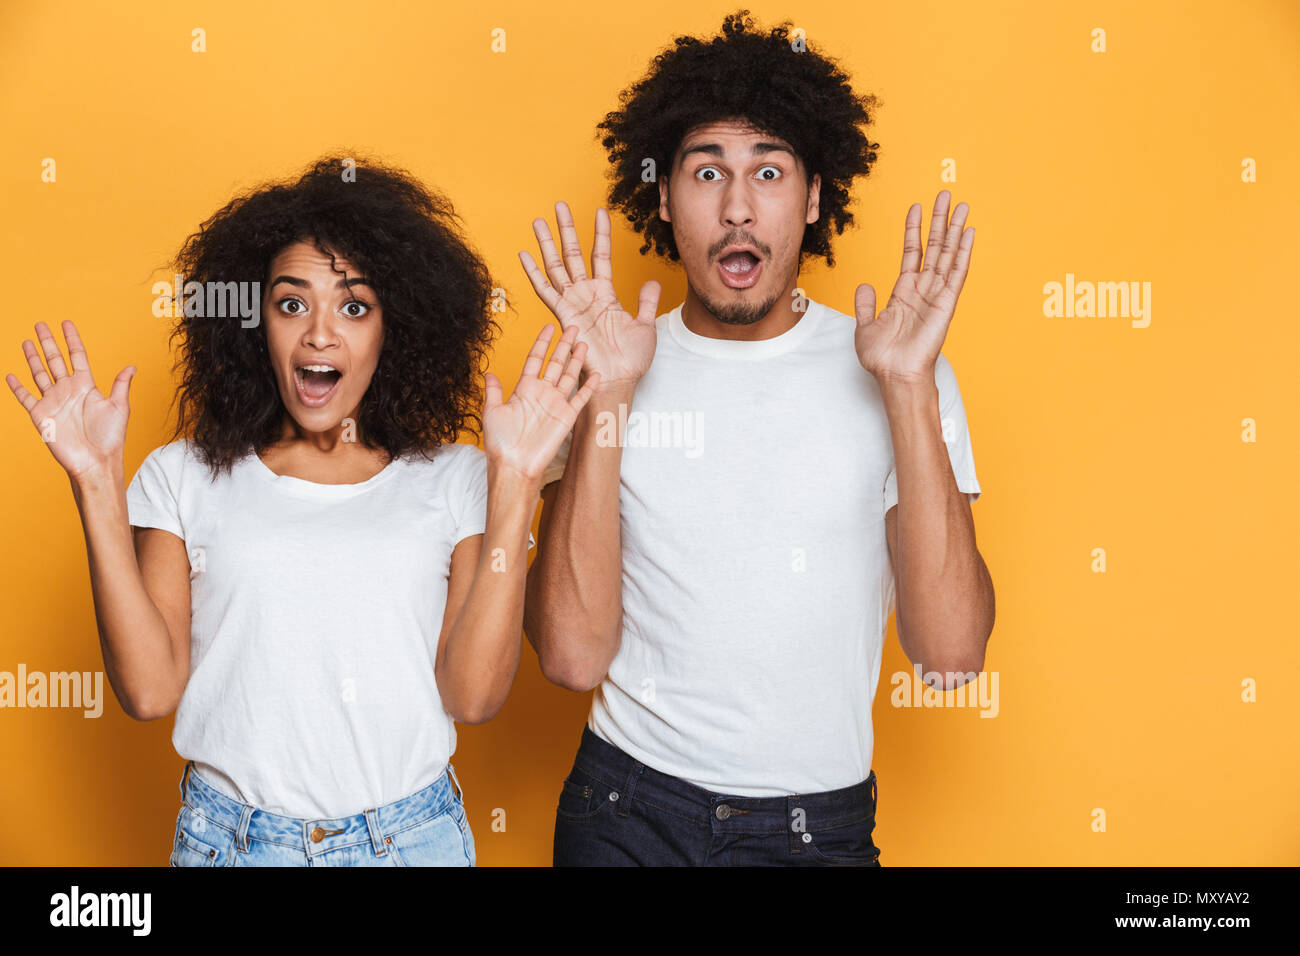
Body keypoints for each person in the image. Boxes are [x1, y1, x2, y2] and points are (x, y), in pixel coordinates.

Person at [5, 156, 599, 866]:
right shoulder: (183, 477)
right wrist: (96, 482)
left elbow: (472, 697)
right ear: (256, 326)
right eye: (292, 303)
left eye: (354, 306)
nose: (320, 334)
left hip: (412, 844)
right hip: (233, 844)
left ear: (394, 329)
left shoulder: (455, 479)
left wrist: (519, 482)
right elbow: (148, 691)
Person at [521, 11, 994, 866]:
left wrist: (910, 390)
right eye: (708, 173)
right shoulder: (608, 364)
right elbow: (569, 655)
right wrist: (610, 397)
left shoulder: (902, 369)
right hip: (627, 808)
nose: (737, 208)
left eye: (768, 172)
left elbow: (953, 652)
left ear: (813, 198)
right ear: (664, 197)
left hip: (820, 831)